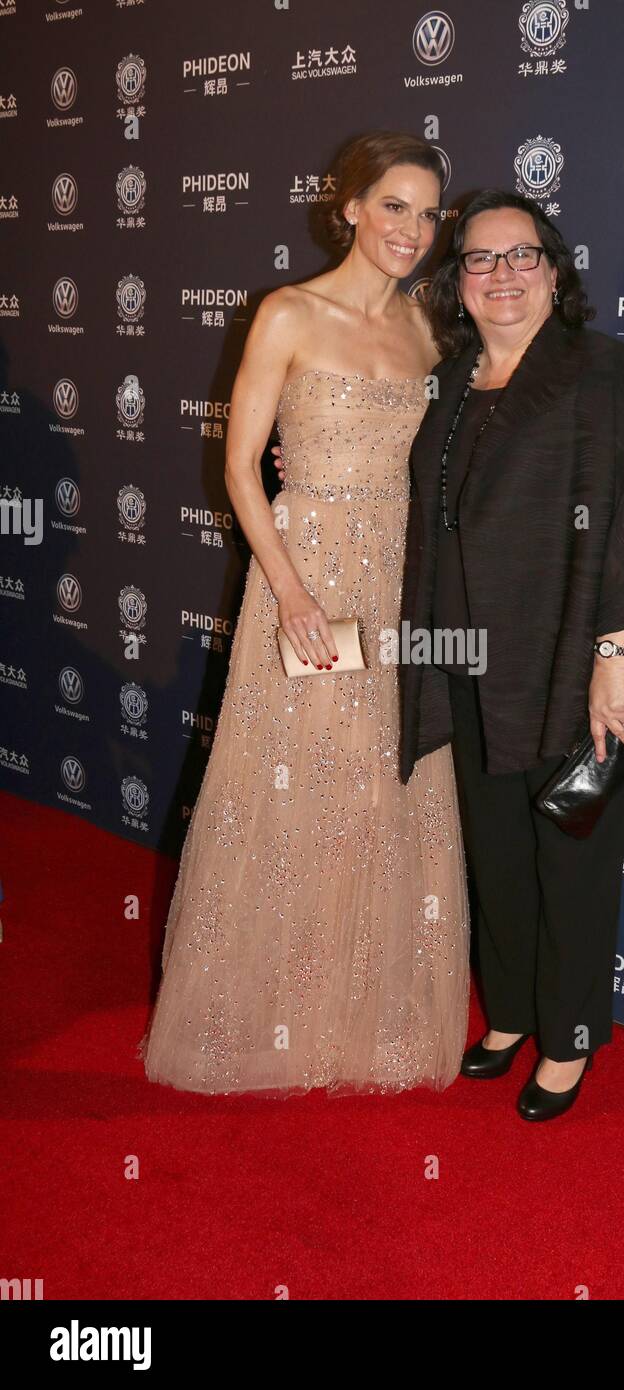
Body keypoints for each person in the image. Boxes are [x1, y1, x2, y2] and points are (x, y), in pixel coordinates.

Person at [138, 132, 470, 1095]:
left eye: (428, 212)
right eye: (394, 205)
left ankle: (363, 1022)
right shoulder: (287, 314)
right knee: (292, 787)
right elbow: (241, 466)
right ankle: (265, 1017)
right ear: (351, 207)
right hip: (309, 578)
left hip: (395, 583)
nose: (412, 229)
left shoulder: (428, 333)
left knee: (381, 788)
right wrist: (286, 589)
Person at [398, 190, 624, 1121]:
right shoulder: (449, 384)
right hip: (472, 657)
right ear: (458, 283)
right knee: (497, 850)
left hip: (579, 659)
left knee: (571, 857)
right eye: (480, 260)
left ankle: (567, 1036)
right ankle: (512, 1009)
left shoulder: (601, 374)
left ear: (555, 272)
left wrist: (615, 660)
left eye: (521, 256)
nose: (502, 275)